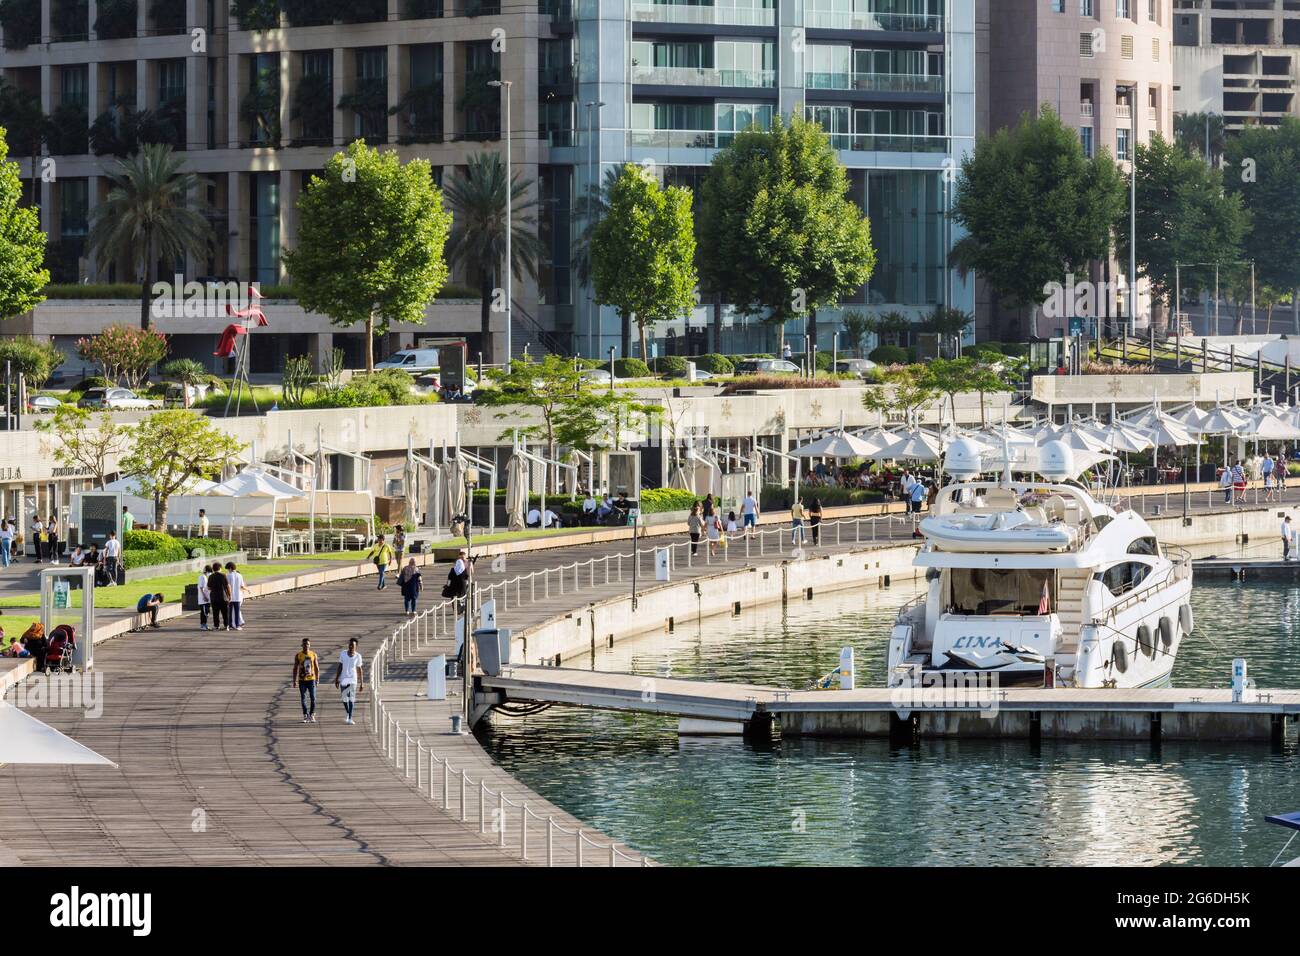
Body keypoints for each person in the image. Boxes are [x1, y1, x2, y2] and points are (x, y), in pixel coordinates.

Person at [333, 637, 364, 725]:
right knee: (344, 698)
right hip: (343, 679)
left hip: (353, 680)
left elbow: (359, 669)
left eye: (352, 645)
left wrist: (362, 683)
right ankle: (348, 712)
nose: (350, 647)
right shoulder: (343, 653)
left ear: (356, 646)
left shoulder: (358, 656)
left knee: (351, 698)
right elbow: (340, 666)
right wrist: (337, 679)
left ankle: (350, 717)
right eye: (349, 645)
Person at [292, 638, 319, 723]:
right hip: (302, 679)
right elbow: (295, 668)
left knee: (313, 697)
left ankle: (312, 714)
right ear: (302, 645)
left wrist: (317, 679)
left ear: (309, 645)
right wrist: (294, 680)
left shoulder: (313, 654)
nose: (306, 646)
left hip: (311, 679)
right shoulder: (298, 655)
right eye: (304, 644)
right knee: (303, 698)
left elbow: (316, 667)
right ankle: (305, 715)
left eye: (307, 644)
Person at [225, 562, 249, 630]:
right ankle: (237, 625)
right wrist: (247, 590)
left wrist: (228, 595)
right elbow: (242, 586)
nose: (227, 570)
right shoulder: (239, 575)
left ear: (230, 568)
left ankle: (230, 625)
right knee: (237, 612)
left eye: (227, 569)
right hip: (238, 596)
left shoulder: (228, 575)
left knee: (230, 612)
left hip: (230, 596)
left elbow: (227, 586)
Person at [207, 563, 230, 630]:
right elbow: (227, 586)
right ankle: (226, 625)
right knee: (225, 612)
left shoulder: (211, 576)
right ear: (220, 568)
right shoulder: (223, 575)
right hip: (223, 597)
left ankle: (216, 626)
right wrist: (229, 595)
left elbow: (208, 587)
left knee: (215, 613)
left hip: (214, 597)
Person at [197, 563, 212, 631]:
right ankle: (203, 625)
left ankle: (205, 624)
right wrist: (204, 596)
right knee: (204, 612)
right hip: (203, 599)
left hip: (207, 598)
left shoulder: (207, 577)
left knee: (207, 612)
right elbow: (201, 588)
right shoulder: (202, 577)